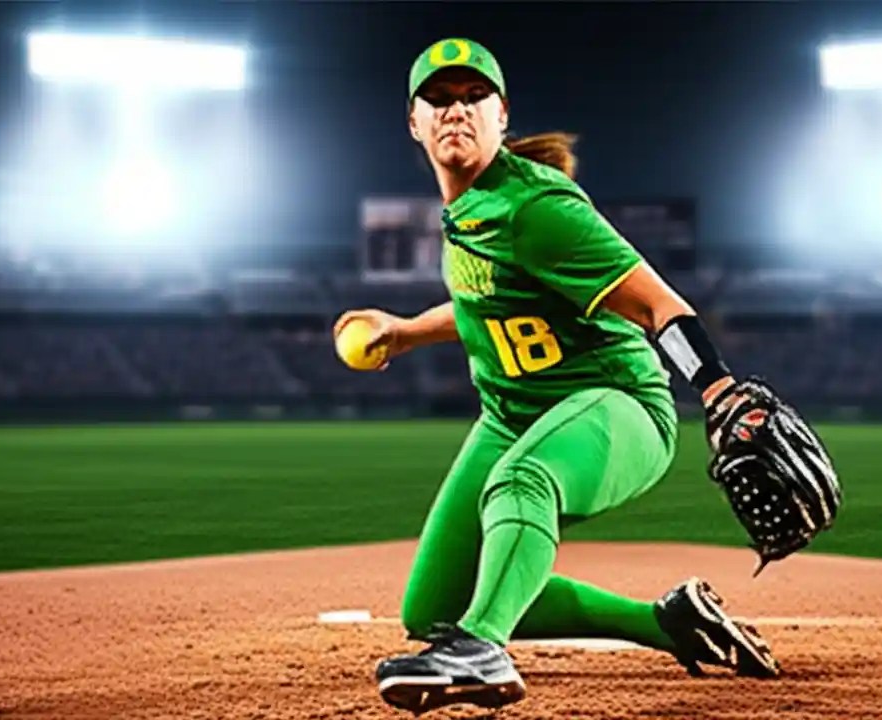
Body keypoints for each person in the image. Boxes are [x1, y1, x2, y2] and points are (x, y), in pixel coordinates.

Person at [333, 38, 840, 715]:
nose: (456, 110)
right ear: (414, 123)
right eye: (439, 99)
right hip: (513, 415)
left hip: (616, 404)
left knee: (522, 481)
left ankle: (484, 648)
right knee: (433, 608)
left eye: (473, 96)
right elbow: (484, 300)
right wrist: (404, 331)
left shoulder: (539, 209)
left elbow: (660, 304)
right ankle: (668, 623)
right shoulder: (466, 211)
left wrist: (717, 387)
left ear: (502, 115)